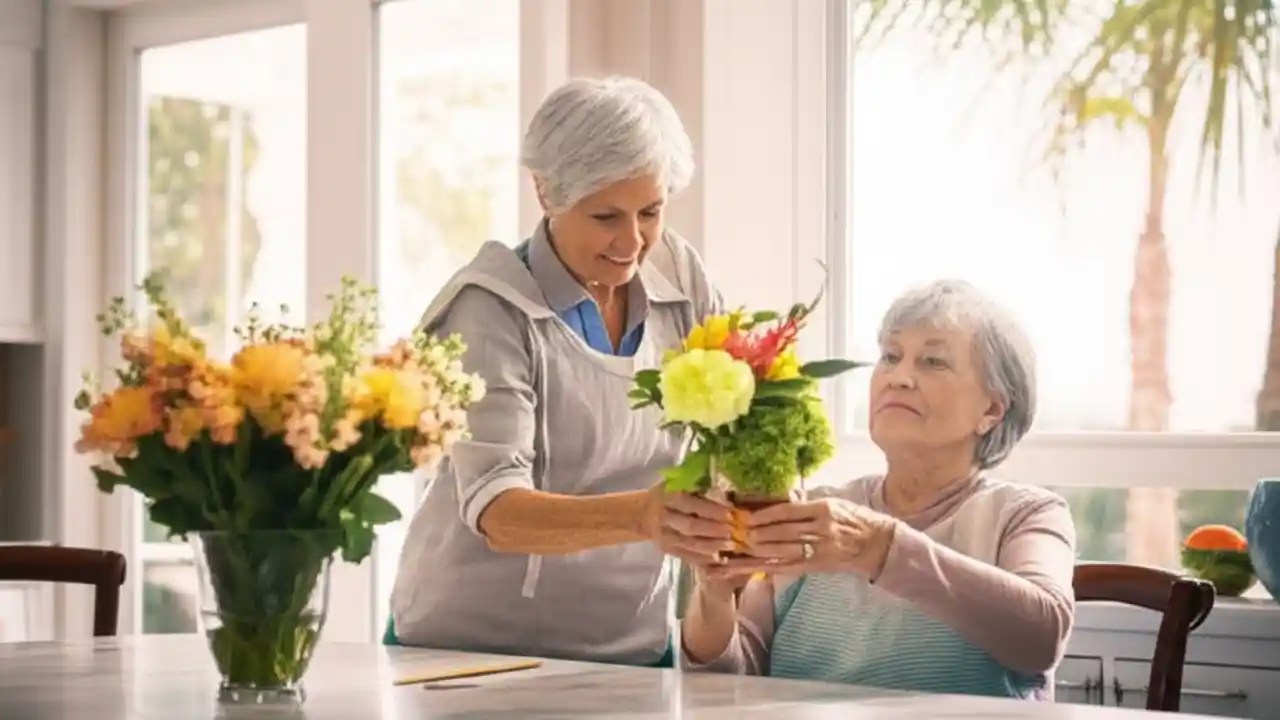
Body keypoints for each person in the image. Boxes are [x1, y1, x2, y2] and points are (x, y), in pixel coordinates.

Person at [388, 76, 735, 666]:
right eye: (605, 216)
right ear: (545, 193)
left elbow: (738, 409)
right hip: (470, 651)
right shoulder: (489, 308)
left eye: (650, 211)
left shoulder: (679, 274)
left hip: (629, 646)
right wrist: (644, 515)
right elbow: (497, 511)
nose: (633, 241)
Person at [681, 279, 1077, 700]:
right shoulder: (815, 510)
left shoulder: (1026, 514)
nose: (899, 377)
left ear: (993, 409)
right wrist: (714, 592)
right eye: (890, 356)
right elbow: (729, 683)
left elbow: (1042, 637)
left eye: (933, 362)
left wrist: (879, 547)